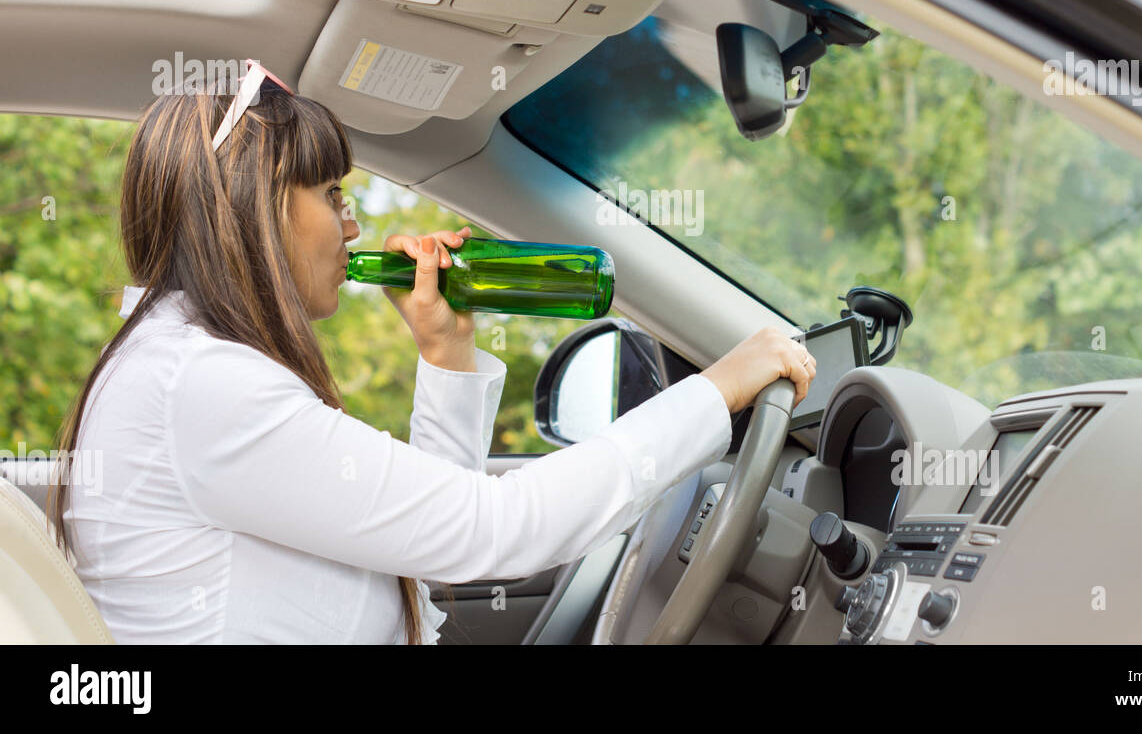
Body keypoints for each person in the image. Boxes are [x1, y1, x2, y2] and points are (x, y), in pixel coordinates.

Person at [46, 61, 816, 644]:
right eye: (331, 197)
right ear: (254, 203)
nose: (352, 229)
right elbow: (501, 529)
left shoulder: (180, 367)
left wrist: (446, 353)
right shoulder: (202, 385)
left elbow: (444, 549)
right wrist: (716, 388)